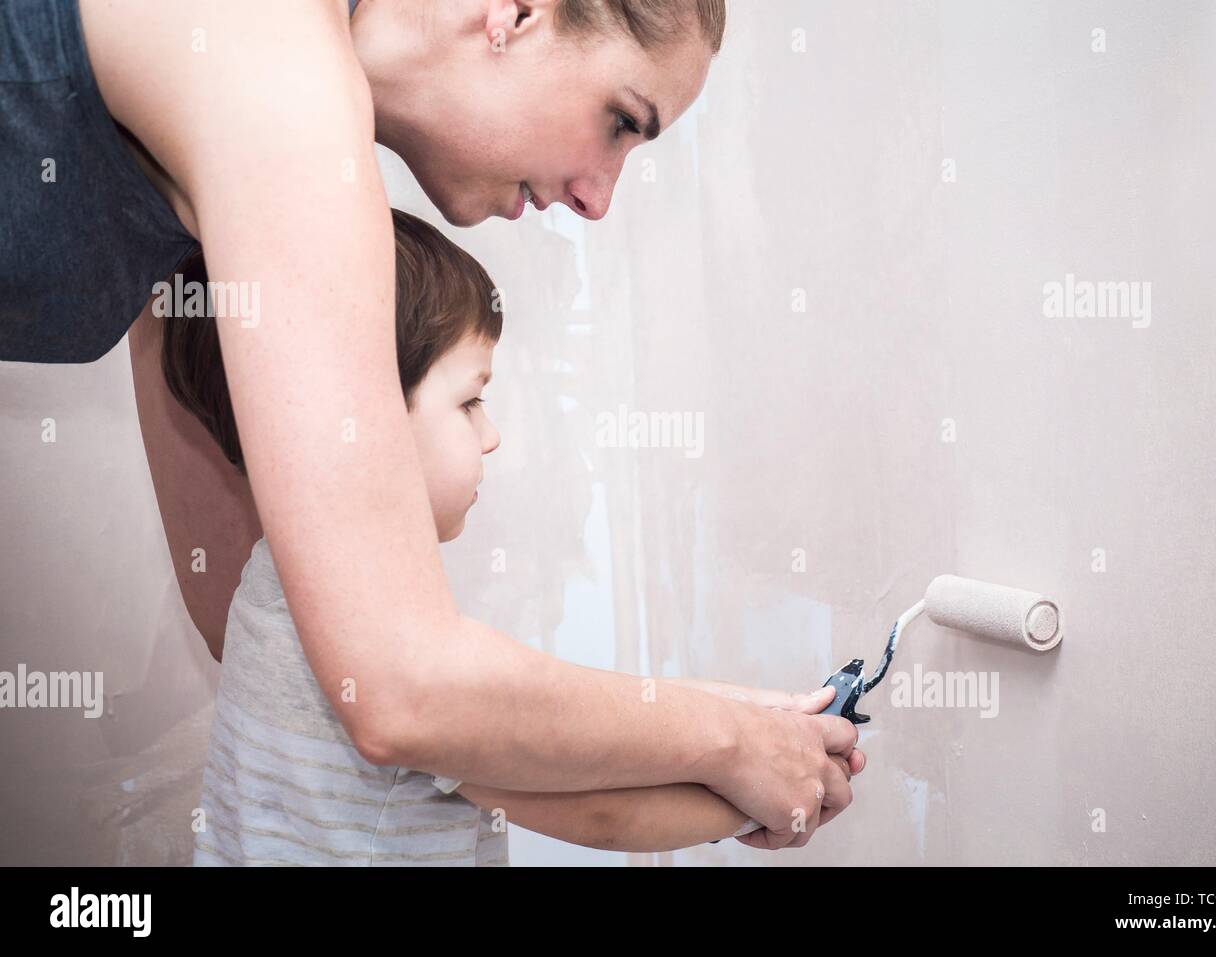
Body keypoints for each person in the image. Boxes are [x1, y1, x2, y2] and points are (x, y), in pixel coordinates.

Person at [0, 0, 860, 850]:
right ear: (515, 14)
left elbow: (250, 609)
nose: (600, 198)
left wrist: (713, 742)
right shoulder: (273, 75)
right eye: (620, 122)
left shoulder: (250, 108)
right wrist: (729, 742)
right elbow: (399, 688)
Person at [183, 209, 781, 864]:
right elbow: (601, 808)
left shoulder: (270, 589)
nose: (491, 434)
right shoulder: (385, 641)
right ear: (359, 417)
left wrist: (763, 726)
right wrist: (766, 794)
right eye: (470, 401)